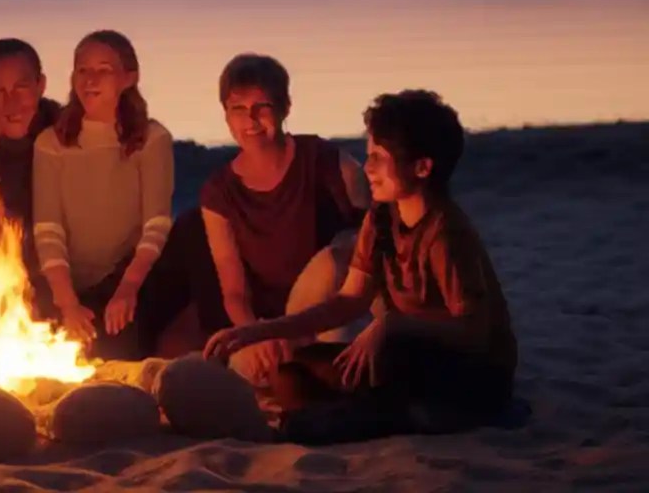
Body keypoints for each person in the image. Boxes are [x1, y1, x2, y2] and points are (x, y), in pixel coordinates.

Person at [205, 90, 517, 444]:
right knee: (292, 373)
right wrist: (259, 331)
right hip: (404, 359)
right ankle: (376, 415)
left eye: (379, 158)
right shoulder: (382, 217)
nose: (367, 167)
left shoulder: (446, 232)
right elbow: (348, 300)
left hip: (466, 373)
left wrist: (392, 324)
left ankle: (394, 415)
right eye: (368, 155)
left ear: (422, 167)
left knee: (387, 362)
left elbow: (474, 331)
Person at [186, 54, 371, 385]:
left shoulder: (327, 162)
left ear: (285, 108)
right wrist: (255, 335)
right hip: (266, 327)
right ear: (226, 115)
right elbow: (234, 291)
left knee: (335, 259)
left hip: (331, 311)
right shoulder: (219, 192)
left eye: (262, 107)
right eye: (238, 109)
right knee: (242, 374)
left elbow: (372, 241)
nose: (251, 120)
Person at [32, 30, 174, 360]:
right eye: (82, 69)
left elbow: (156, 225)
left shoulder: (151, 139)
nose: (90, 79)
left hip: (125, 278)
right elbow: (48, 230)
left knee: (115, 352)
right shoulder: (51, 143)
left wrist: (127, 289)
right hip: (65, 283)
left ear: (129, 78)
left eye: (104, 70)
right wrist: (68, 303)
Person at [0, 38, 62, 314]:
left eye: (21, 88)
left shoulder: (68, 132)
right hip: (0, 278)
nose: (11, 103)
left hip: (65, 275)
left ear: (41, 85)